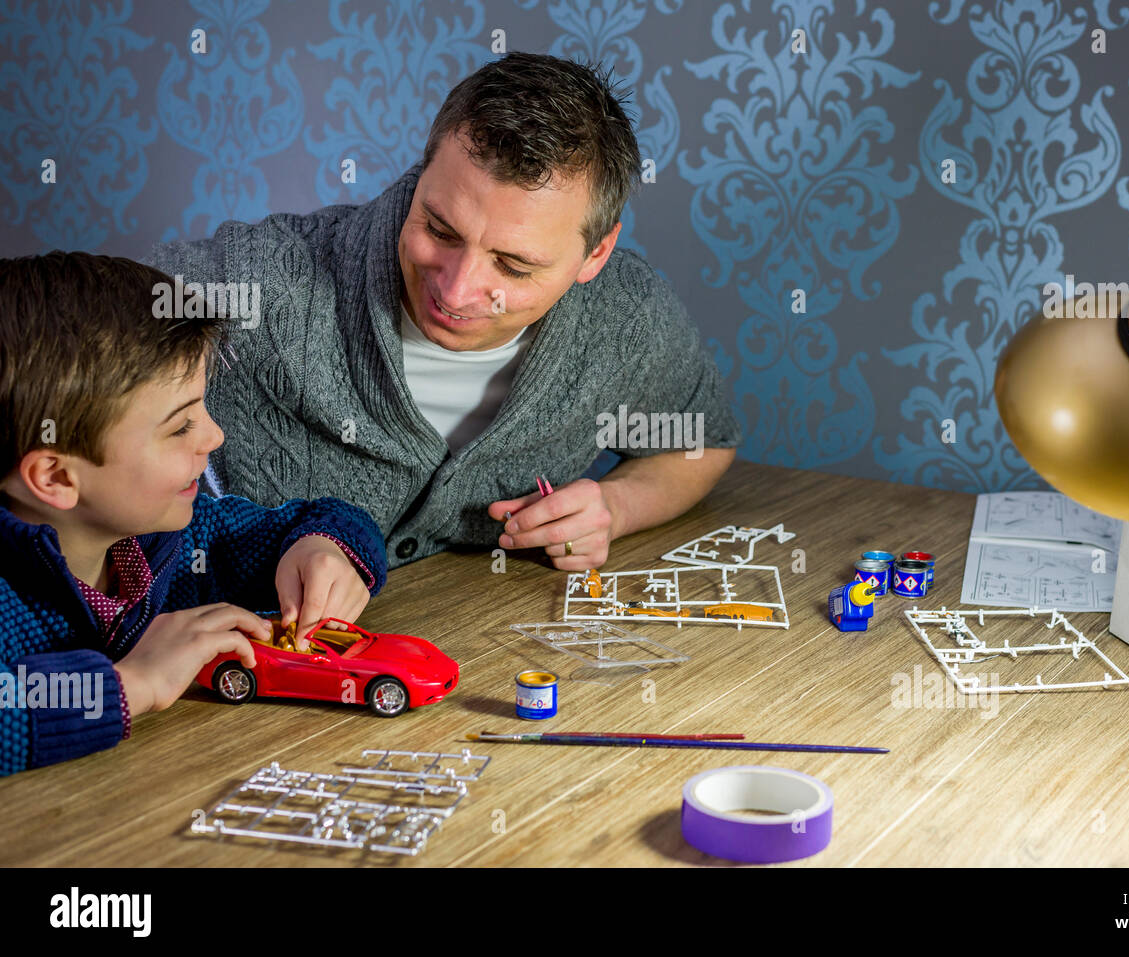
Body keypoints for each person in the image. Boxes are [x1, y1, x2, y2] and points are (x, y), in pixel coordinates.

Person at [145, 52, 740, 573]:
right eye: (439, 229)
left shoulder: (628, 317)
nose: (456, 292)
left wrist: (615, 508)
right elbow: (68, 332)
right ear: (422, 175)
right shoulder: (264, 279)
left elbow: (700, 441)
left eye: (513, 264)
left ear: (595, 253)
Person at [0, 252, 388, 776]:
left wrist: (325, 547)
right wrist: (133, 682)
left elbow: (323, 519)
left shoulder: (172, 539)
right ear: (57, 477)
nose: (214, 436)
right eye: (180, 427)